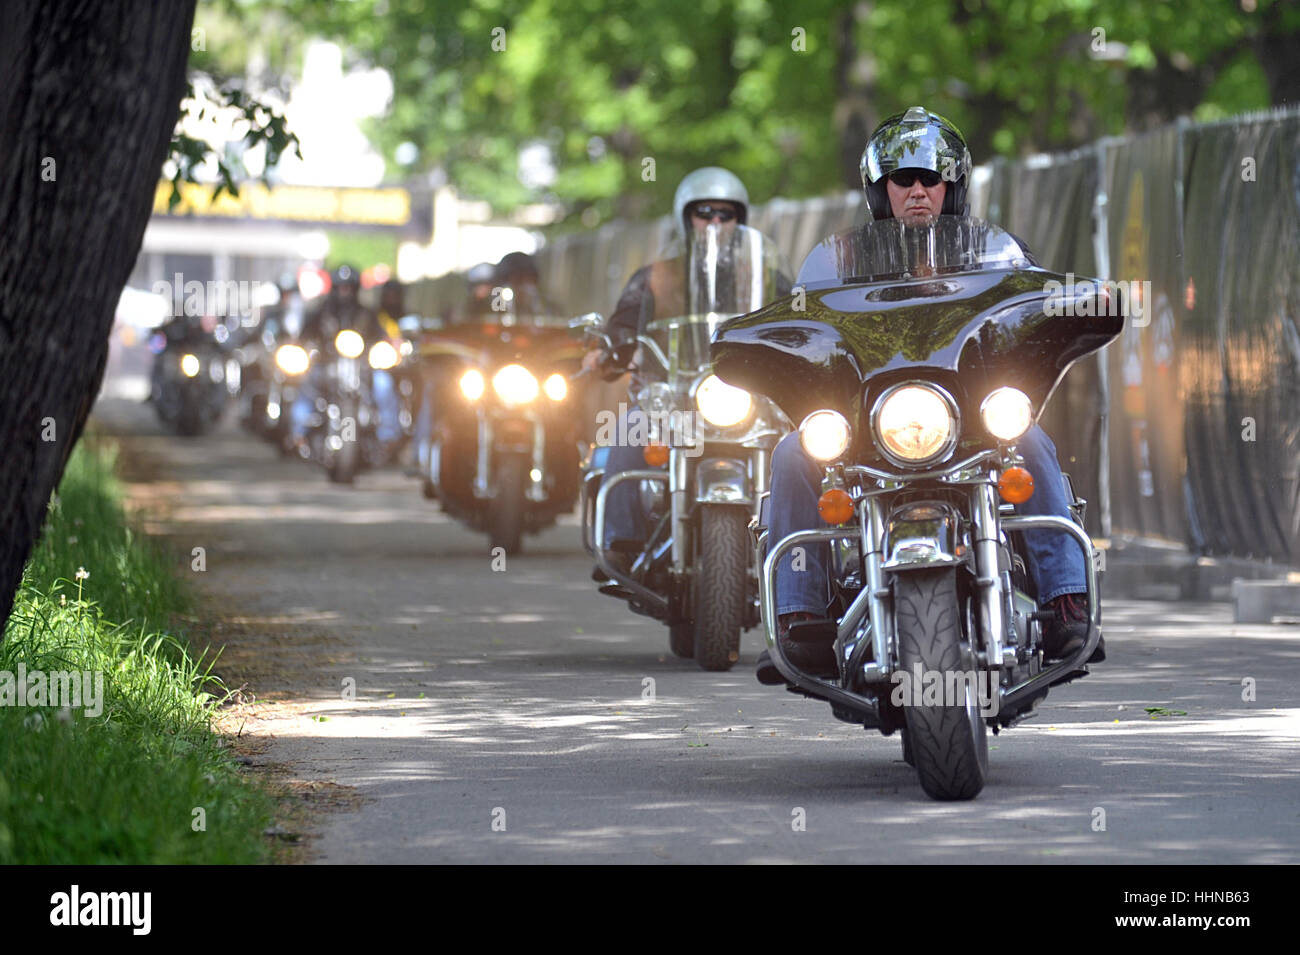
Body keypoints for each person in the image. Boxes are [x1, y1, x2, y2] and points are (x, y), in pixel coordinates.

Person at [760, 107, 1101, 683]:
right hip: (872, 426)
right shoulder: (838, 265)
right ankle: (798, 616)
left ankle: (1067, 601)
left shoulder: (999, 254)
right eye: (903, 179)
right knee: (793, 452)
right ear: (880, 190)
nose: (918, 191)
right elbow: (806, 328)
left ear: (952, 186)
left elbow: (1034, 308)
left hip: (968, 423)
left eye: (931, 179)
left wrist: (1072, 304)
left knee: (1033, 439)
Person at [581, 166, 755, 567]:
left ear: (739, 221)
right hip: (673, 396)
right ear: (686, 217)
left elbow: (789, 320)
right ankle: (621, 543)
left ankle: (811, 560)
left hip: (744, 397)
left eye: (725, 214)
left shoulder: (759, 274)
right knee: (627, 428)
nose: (714, 222)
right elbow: (624, 321)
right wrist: (618, 345)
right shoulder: (655, 277)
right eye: (704, 212)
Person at [289, 264, 401, 457]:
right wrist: (303, 348)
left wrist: (385, 348)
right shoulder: (321, 312)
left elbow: (381, 338)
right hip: (326, 366)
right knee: (307, 385)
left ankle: (388, 436)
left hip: (362, 368)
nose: (345, 292)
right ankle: (300, 432)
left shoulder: (367, 314)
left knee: (383, 383)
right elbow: (304, 336)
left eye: (349, 287)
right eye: (341, 287)